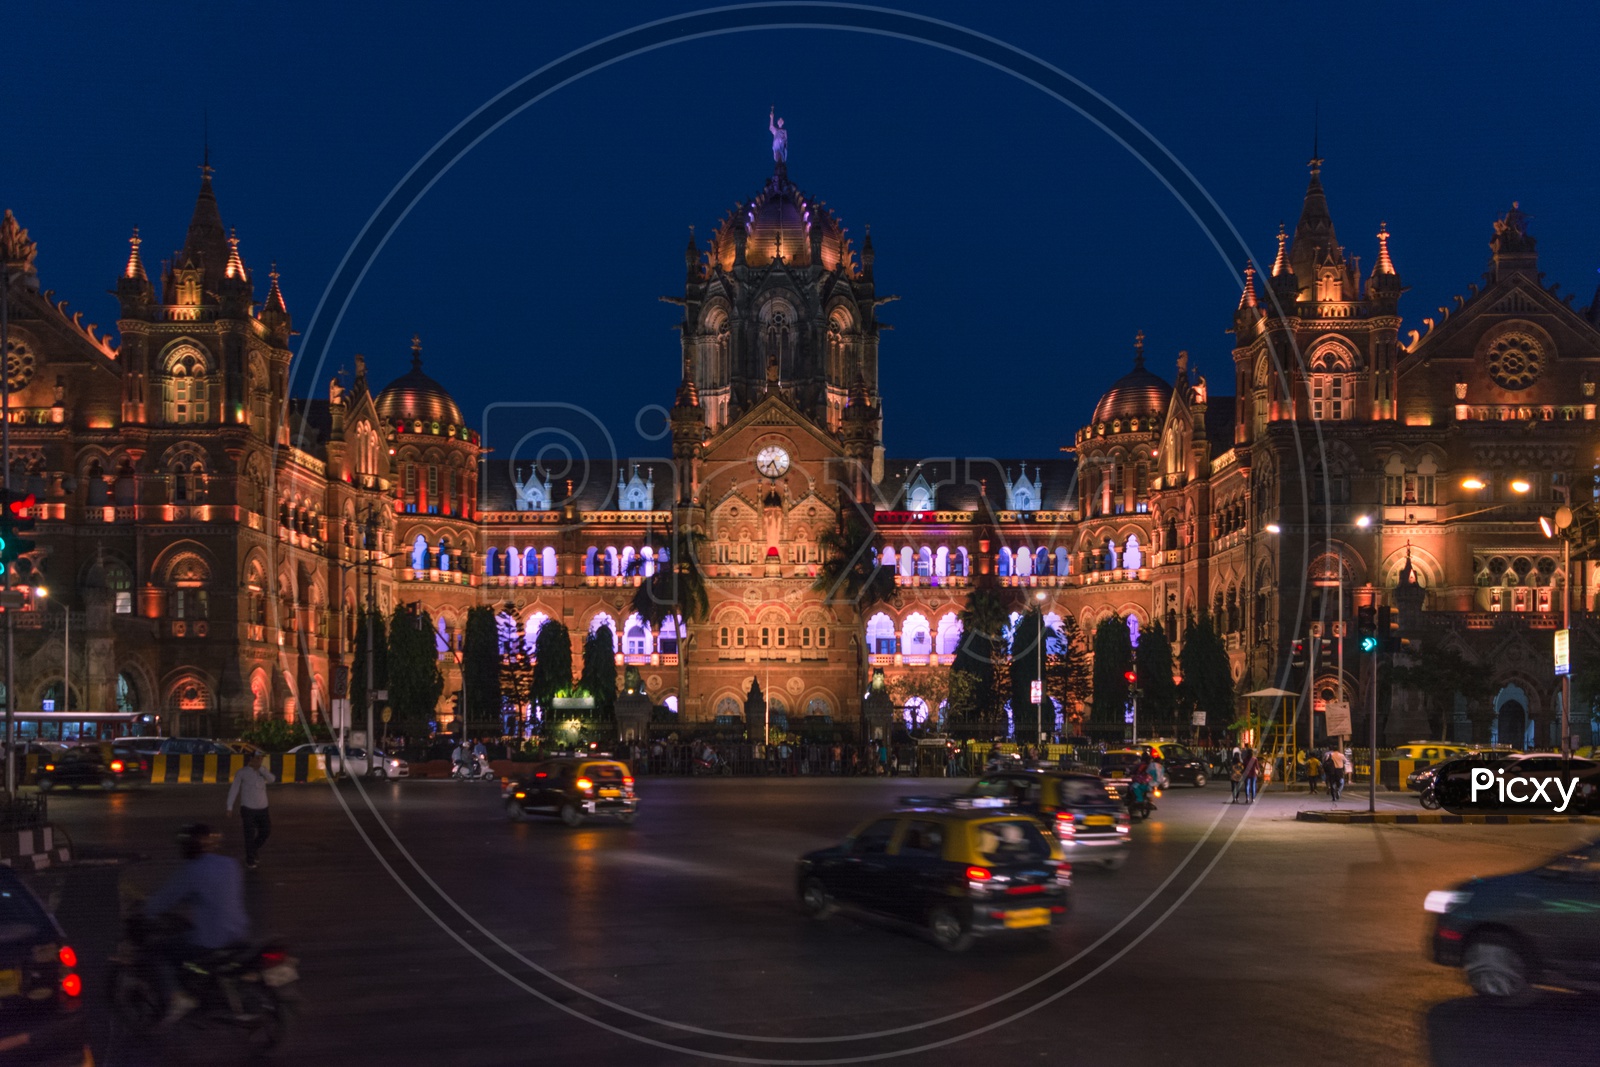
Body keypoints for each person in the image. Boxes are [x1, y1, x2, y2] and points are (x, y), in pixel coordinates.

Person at [143, 823, 249, 1026]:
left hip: (211, 940)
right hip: (238, 933)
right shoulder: (230, 864)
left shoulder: (191, 872)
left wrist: (145, 910)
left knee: (158, 953)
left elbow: (164, 900)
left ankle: (177, 999)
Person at [225, 751, 275, 869]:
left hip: (263, 808)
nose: (260, 760)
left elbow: (272, 779)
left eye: (261, 758)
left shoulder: (263, 770)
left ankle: (253, 849)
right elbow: (234, 789)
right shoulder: (242, 772)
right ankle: (250, 859)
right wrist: (229, 806)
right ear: (251, 759)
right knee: (249, 834)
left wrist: (261, 770)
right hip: (248, 809)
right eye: (257, 758)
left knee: (266, 831)